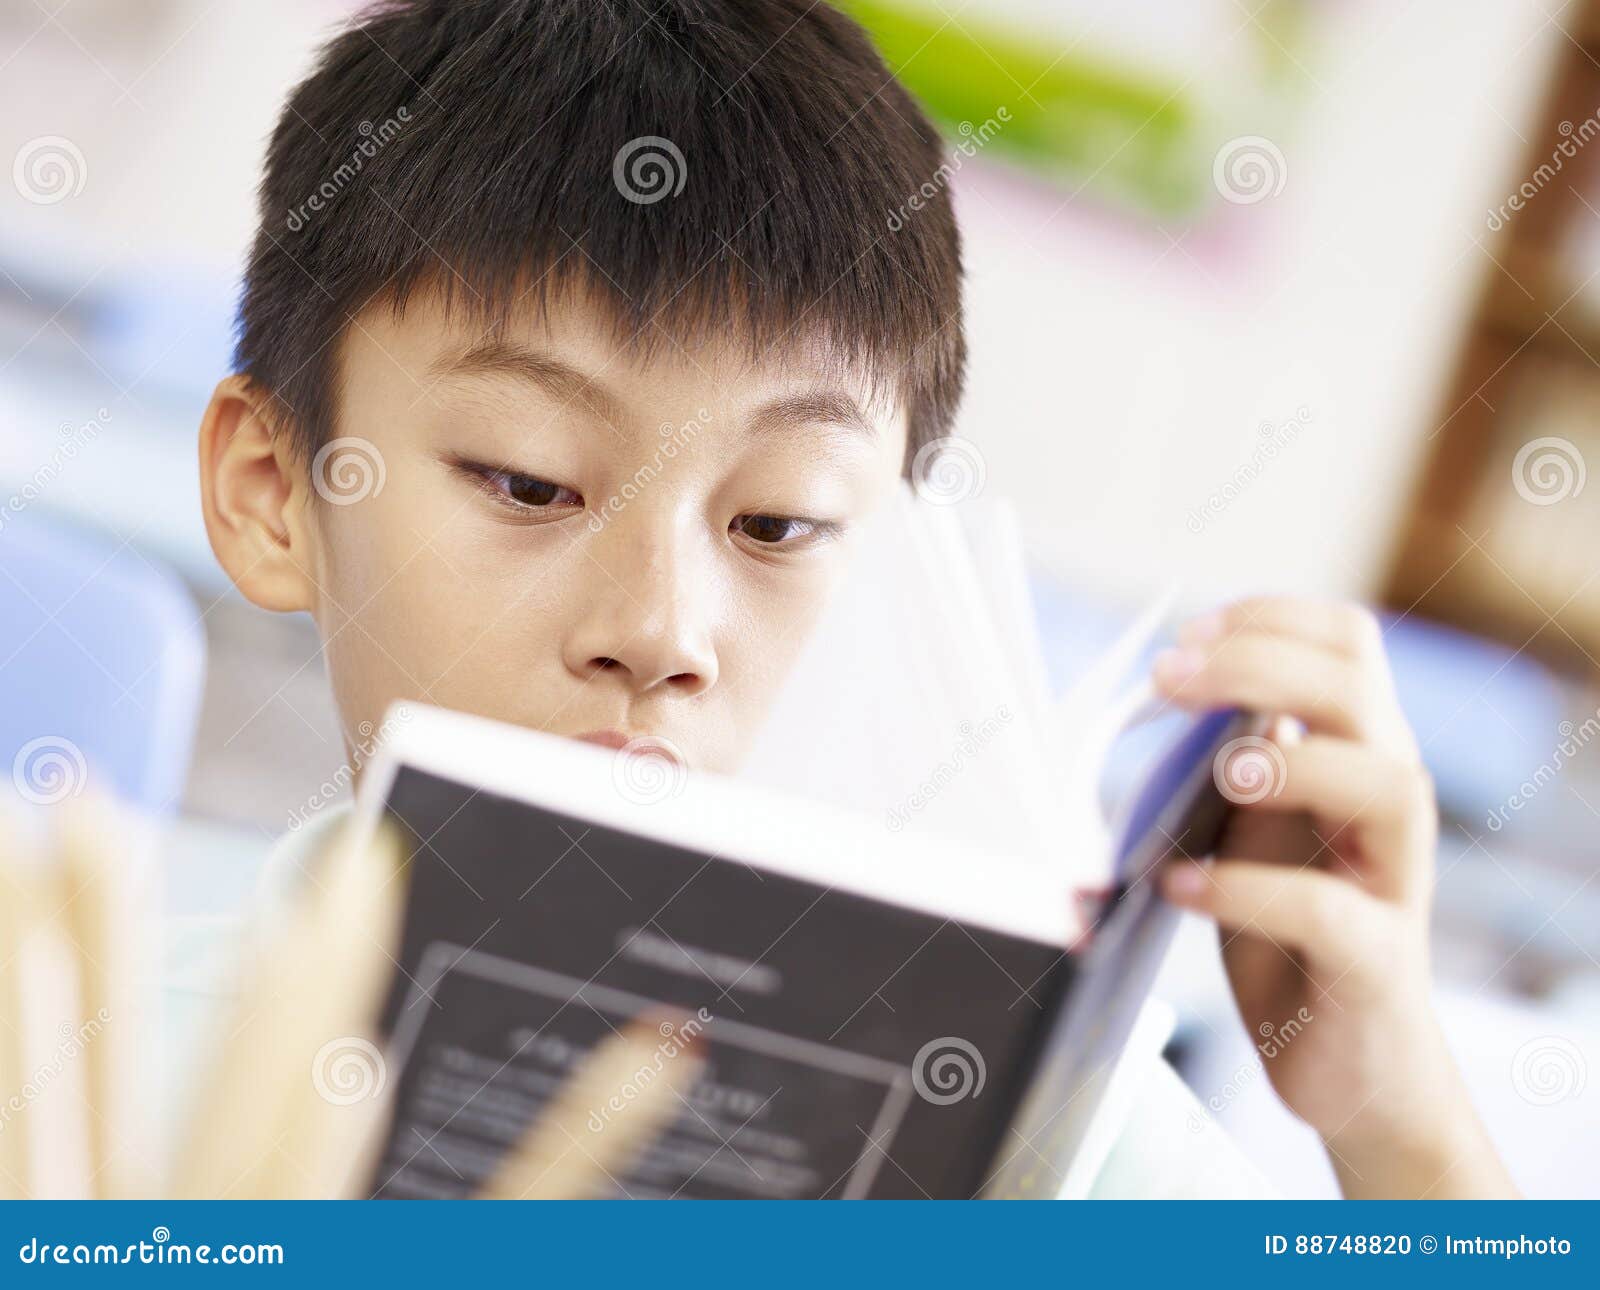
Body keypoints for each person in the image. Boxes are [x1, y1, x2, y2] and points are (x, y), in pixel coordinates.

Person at [186, 0, 1512, 1198]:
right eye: (529, 484)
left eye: (777, 523)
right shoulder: (112, 1058)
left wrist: (1398, 1117)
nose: (659, 630)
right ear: (270, 491)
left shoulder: (1049, 1132)